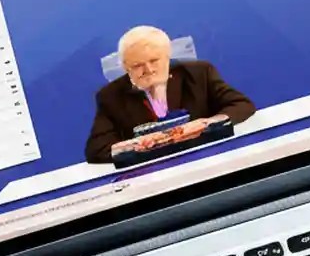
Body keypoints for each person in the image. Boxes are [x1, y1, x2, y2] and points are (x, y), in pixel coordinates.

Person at [85, 26, 255, 164]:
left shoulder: (199, 73)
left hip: (209, 160)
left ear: (167, 57)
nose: (148, 70)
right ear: (125, 67)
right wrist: (137, 145)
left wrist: (205, 124)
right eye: (137, 65)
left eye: (154, 61)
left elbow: (241, 105)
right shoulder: (110, 96)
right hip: (154, 175)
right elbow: (97, 150)